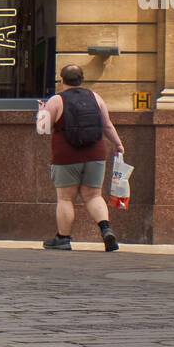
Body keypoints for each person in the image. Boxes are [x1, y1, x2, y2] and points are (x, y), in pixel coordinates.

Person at [35, 64, 124, 252]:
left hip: (66, 156)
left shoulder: (56, 100)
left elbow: (42, 129)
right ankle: (106, 229)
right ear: (82, 79)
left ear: (61, 80)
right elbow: (107, 125)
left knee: (66, 198)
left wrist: (42, 112)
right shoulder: (96, 97)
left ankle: (63, 239)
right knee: (94, 195)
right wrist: (118, 144)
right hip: (96, 153)